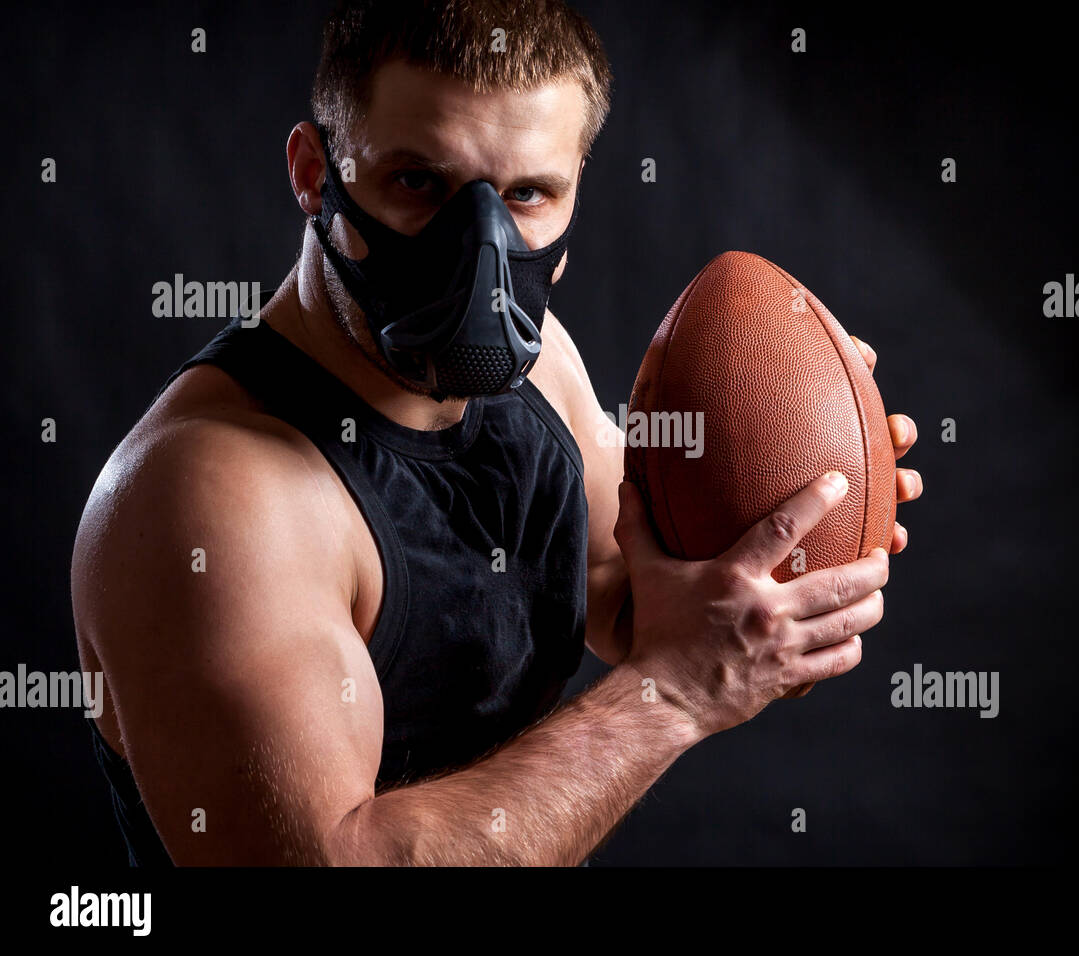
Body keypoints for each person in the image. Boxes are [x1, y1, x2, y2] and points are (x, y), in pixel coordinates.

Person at [71, 0, 923, 866]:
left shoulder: (543, 364)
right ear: (312, 171)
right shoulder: (211, 496)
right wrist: (670, 697)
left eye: (526, 194)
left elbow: (636, 603)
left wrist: (799, 523)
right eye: (417, 183)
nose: (478, 249)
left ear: (575, 188)